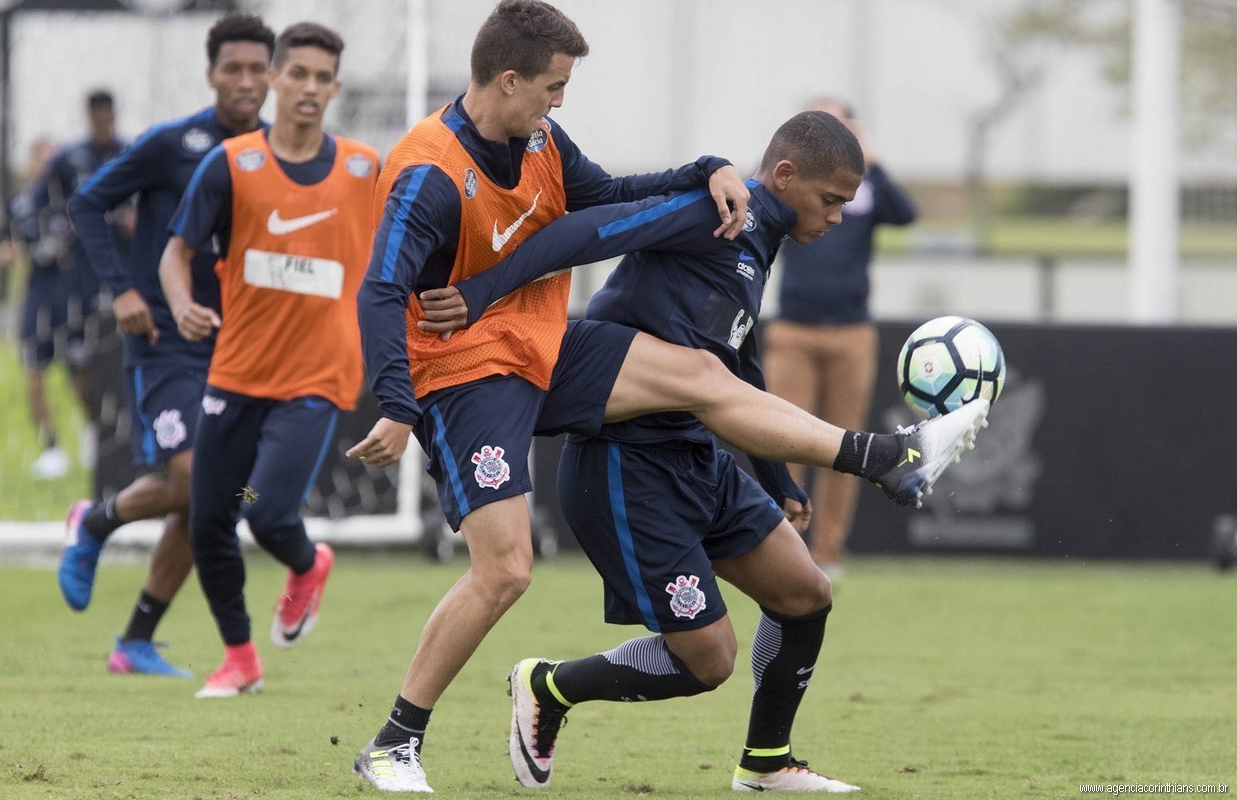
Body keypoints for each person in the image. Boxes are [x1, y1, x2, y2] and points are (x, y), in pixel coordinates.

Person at [348, 2, 988, 793]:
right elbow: (386, 287)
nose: (561, 100)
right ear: (508, 79)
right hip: (464, 370)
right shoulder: (427, 171)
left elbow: (609, 194)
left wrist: (702, 163)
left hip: (546, 346)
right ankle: (392, 743)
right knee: (506, 570)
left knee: (788, 568)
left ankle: (764, 761)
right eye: (554, 85)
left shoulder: (549, 139)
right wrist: (397, 396)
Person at [159, 21, 379, 699]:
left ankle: (308, 564)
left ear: (334, 88)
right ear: (274, 80)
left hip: (317, 380)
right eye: (298, 75)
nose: (309, 89)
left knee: (264, 508)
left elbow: (412, 249)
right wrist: (180, 304)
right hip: (234, 373)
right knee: (210, 518)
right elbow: (177, 253)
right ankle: (240, 658)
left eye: (323, 78)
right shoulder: (232, 165)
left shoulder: (366, 169)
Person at [56, 14, 275, 679]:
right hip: (165, 338)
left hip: (241, 349)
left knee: (210, 496)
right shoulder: (173, 144)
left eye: (255, 68)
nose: (244, 80)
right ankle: (95, 522)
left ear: (271, 74)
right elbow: (88, 204)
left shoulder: (278, 154)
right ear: (210, 74)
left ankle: (135, 642)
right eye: (231, 68)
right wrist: (122, 289)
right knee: (191, 476)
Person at [762, 98, 918, 577]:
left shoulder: (862, 187)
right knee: (786, 440)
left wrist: (871, 159)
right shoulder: (794, 183)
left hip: (852, 330)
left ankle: (827, 554)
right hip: (793, 329)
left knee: (845, 446)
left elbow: (905, 214)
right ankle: (779, 549)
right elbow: (761, 194)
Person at [21, 90, 129, 479]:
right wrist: (46, 237)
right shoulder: (69, 160)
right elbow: (30, 210)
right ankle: (57, 445)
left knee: (105, 364)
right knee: (55, 363)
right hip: (71, 285)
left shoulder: (129, 153)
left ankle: (101, 433)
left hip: (118, 281)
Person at [0, 136, 70, 480]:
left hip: (71, 295)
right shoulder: (19, 205)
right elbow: (5, 243)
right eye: (42, 159)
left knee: (82, 372)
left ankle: (94, 435)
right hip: (37, 297)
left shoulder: (71, 201)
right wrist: (7, 253)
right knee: (33, 373)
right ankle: (52, 447)